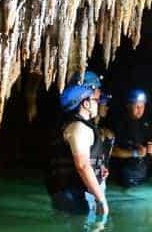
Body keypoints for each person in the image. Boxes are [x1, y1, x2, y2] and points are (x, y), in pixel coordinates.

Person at [46, 84, 109, 216]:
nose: (98, 103)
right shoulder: (78, 128)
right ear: (86, 103)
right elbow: (82, 165)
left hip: (74, 193)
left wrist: (98, 170)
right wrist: (101, 199)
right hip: (74, 195)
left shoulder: (75, 125)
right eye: (95, 100)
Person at [110, 89, 152, 188]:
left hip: (144, 175)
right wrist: (135, 153)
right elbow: (110, 151)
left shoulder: (148, 124)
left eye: (142, 106)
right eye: (136, 106)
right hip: (123, 177)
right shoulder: (118, 124)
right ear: (128, 105)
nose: (140, 109)